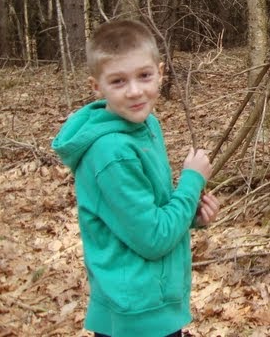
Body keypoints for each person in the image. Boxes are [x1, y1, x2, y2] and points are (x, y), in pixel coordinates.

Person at [52, 19, 220, 337]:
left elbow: (150, 209)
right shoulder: (111, 152)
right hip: (136, 316)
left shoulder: (146, 126)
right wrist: (191, 182)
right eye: (118, 81)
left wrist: (192, 214)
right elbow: (153, 238)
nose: (134, 91)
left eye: (144, 76)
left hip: (156, 304)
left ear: (160, 73)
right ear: (96, 87)